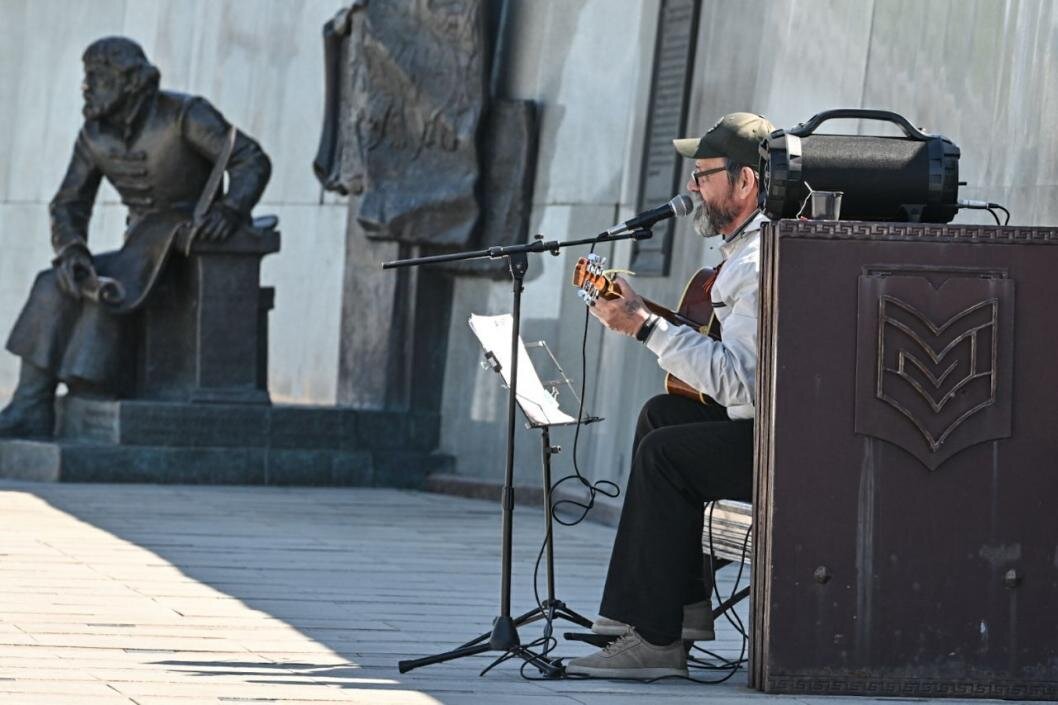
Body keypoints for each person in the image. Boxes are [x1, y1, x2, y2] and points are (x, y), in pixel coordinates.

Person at [566, 112, 774, 679]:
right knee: (663, 415)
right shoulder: (740, 254)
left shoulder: (758, 265)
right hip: (765, 431)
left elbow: (745, 385)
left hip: (786, 448)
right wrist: (642, 316)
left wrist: (644, 326)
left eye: (703, 175)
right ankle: (673, 613)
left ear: (746, 181)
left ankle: (656, 639)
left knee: (666, 456)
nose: (691, 188)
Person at [0, 37, 271, 438]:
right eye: (85, 79)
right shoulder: (94, 135)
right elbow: (69, 203)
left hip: (185, 248)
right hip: (139, 246)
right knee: (53, 282)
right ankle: (30, 406)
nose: (86, 88)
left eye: (97, 78)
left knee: (113, 289)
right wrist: (73, 249)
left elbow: (250, 159)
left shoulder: (185, 115)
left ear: (130, 83)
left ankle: (90, 388)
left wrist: (230, 210)